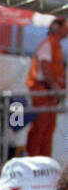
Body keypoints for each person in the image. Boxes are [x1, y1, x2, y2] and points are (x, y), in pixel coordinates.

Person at [26, 17, 66, 158]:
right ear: (57, 27)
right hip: (42, 90)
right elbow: (45, 67)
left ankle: (43, 162)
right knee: (40, 127)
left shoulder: (56, 45)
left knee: (49, 129)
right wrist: (56, 87)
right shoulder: (48, 44)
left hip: (50, 93)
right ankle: (33, 160)